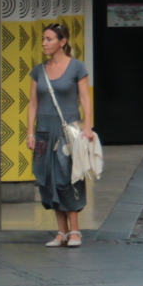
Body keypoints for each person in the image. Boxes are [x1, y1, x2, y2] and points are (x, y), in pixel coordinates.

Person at [28, 21, 94, 248]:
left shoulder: (77, 67)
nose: (44, 43)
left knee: (67, 179)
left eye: (49, 39)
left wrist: (88, 127)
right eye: (43, 39)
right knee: (47, 180)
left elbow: (85, 98)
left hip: (68, 133)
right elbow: (33, 103)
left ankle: (75, 231)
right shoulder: (38, 70)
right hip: (44, 133)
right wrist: (30, 132)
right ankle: (61, 232)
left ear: (62, 42)